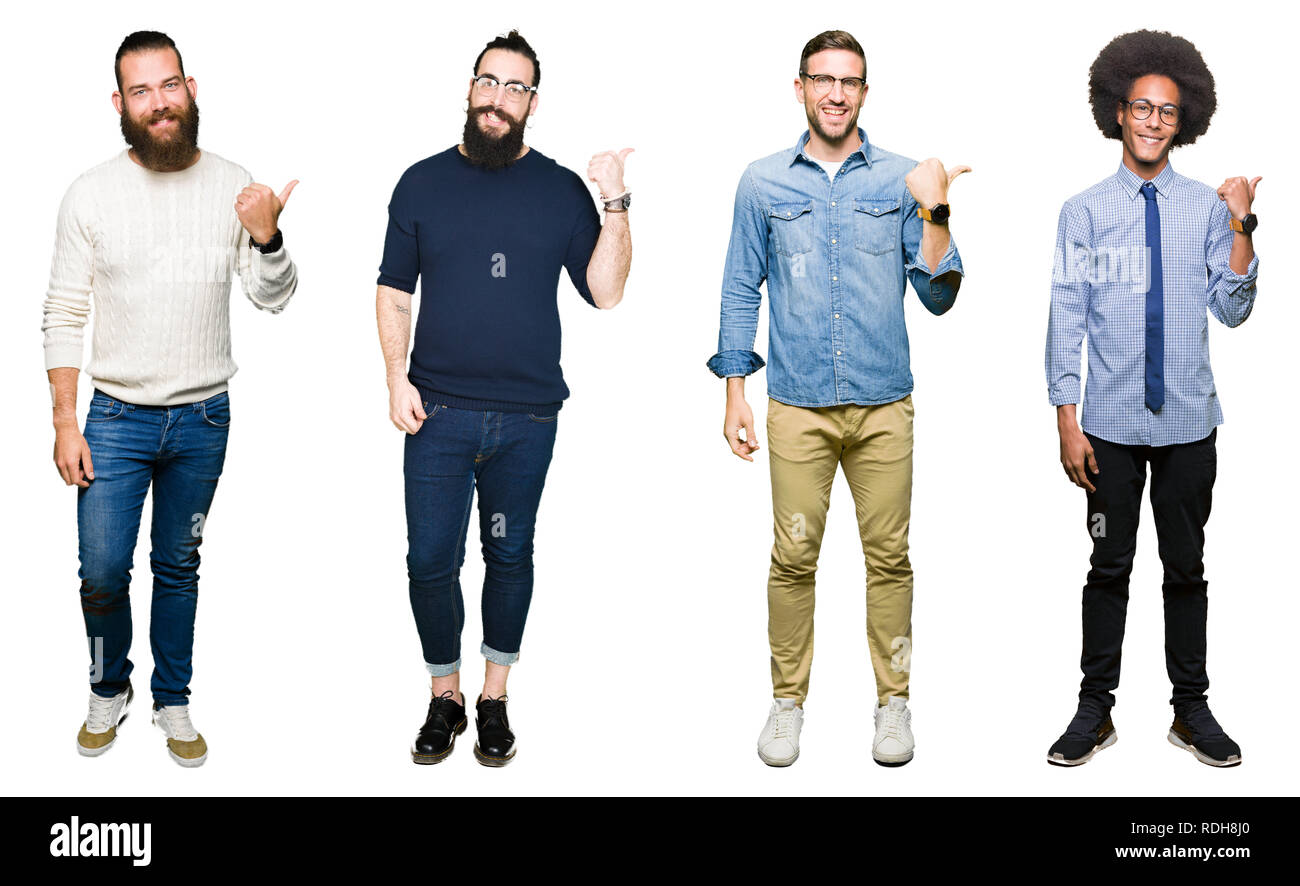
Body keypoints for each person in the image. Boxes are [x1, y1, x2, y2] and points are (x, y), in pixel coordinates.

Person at [707, 30, 968, 768]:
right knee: (793, 557)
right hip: (796, 406)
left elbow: (940, 297)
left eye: (849, 81)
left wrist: (937, 210)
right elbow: (740, 286)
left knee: (890, 558)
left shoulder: (904, 179)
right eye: (822, 80)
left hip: (884, 406)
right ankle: (787, 703)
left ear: (864, 92)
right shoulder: (762, 183)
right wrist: (734, 393)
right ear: (800, 89)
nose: (835, 93)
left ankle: (894, 702)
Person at [375, 30, 633, 767]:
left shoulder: (560, 190)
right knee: (430, 560)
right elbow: (394, 290)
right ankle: (445, 696)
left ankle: (493, 698)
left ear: (532, 103)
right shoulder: (421, 182)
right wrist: (394, 376)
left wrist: (615, 201)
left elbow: (606, 292)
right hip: (437, 413)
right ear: (470, 88)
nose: (498, 98)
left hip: (527, 418)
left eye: (515, 88)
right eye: (489, 82)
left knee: (509, 553)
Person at [44, 30, 299, 767]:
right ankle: (107, 685)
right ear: (119, 103)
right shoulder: (90, 193)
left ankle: (173, 698)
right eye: (141, 91)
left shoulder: (234, 184)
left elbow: (272, 296)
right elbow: (63, 311)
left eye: (169, 85)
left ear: (191, 89)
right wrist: (65, 422)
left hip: (202, 419)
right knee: (100, 571)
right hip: (114, 421)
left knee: (178, 565)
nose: (158, 103)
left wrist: (269, 238)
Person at [1045, 29, 1258, 768]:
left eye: (1167, 111)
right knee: (1108, 567)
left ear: (1183, 119)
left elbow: (1233, 310)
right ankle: (1094, 709)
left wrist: (1241, 223)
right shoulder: (1083, 212)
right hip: (1107, 427)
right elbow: (1067, 315)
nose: (1153, 121)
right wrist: (1067, 421)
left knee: (1186, 570)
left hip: (1190, 425)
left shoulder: (1207, 208)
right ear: (1118, 110)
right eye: (1142, 107)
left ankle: (1191, 710)